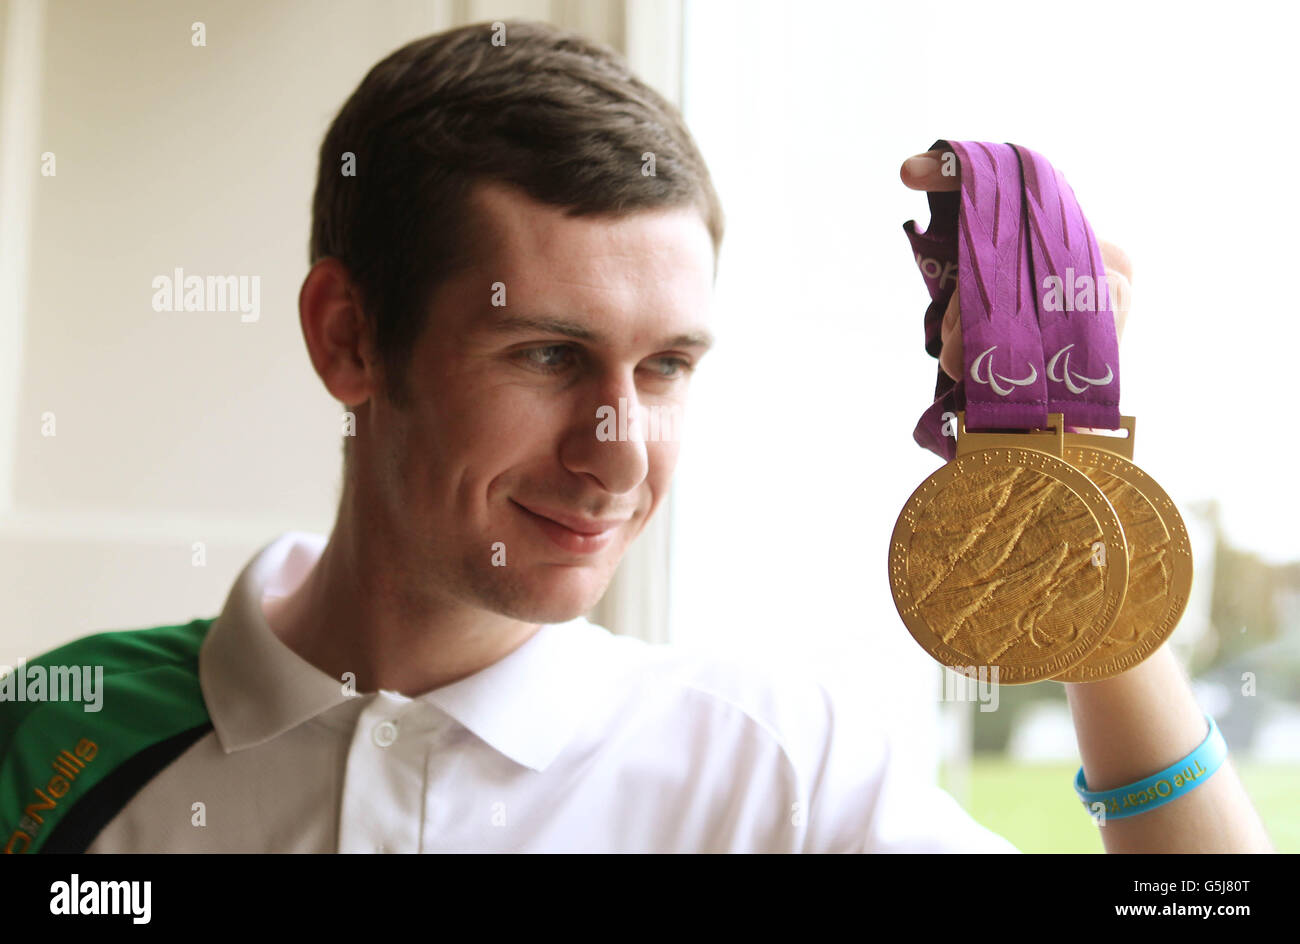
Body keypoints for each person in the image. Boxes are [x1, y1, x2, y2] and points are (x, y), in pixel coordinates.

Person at [0, 19, 1272, 854]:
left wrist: (1065, 474)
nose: (617, 450)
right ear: (350, 339)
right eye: (548, 354)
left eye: (664, 366)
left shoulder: (772, 777)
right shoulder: (63, 744)